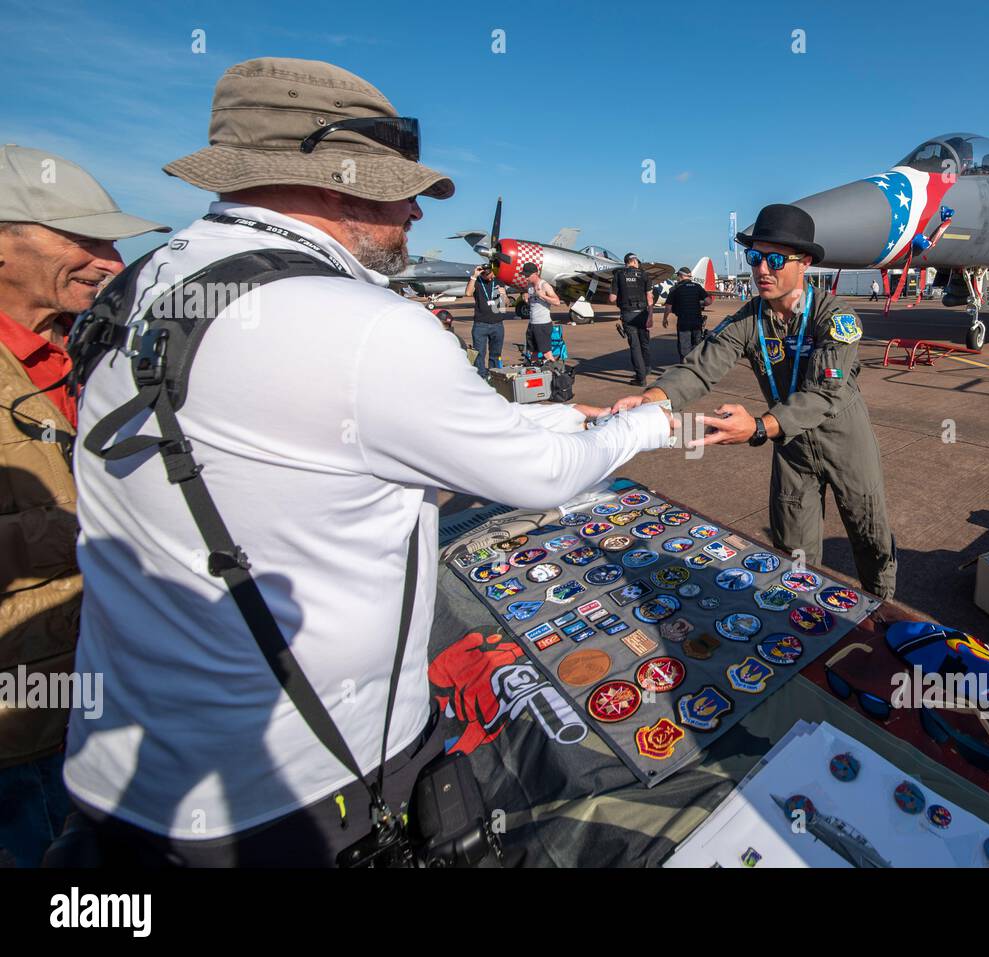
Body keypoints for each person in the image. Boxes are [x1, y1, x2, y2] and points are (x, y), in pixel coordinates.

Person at [62, 57, 672, 867]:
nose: (416, 208)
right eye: (399, 187)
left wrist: (562, 411)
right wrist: (649, 424)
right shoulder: (366, 325)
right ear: (341, 186)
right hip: (294, 792)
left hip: (123, 782)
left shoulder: (138, 283)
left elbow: (325, 438)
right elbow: (543, 478)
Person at [0, 145, 168, 867]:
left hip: (98, 690)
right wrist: (114, 517)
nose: (110, 259)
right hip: (21, 725)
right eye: (85, 238)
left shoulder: (81, 348)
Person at [613, 204, 896, 599]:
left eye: (776, 258)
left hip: (844, 440)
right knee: (792, 547)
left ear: (805, 263)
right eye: (755, 257)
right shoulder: (749, 320)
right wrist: (650, 399)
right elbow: (699, 368)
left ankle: (883, 613)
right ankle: (803, 613)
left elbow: (825, 393)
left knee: (870, 536)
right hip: (792, 447)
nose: (762, 269)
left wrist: (760, 427)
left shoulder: (835, 317)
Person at [609, 252, 656, 386]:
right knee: (644, 343)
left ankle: (641, 378)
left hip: (628, 314)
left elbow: (612, 298)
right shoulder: (645, 274)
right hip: (642, 314)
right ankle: (647, 368)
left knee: (635, 347)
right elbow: (650, 297)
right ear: (635, 261)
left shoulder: (618, 275)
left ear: (626, 262)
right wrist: (651, 316)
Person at [662, 265, 713, 361]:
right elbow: (708, 301)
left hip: (683, 321)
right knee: (697, 345)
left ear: (680, 276)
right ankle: (696, 367)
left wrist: (665, 319)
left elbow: (668, 306)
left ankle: (686, 369)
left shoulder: (675, 288)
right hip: (697, 321)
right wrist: (698, 302)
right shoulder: (697, 287)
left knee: (684, 348)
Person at [464, 264, 506, 376]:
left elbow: (505, 304)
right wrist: (473, 276)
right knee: (479, 354)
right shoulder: (477, 281)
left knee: (496, 353)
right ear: (482, 274)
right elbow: (468, 293)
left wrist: (503, 295)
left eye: (491, 273)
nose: (490, 276)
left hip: (497, 324)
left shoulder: (498, 281)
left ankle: (495, 375)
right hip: (480, 325)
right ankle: (481, 377)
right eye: (487, 275)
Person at [521, 262, 560, 362]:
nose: (526, 278)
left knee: (546, 353)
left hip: (543, 324)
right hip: (532, 324)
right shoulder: (529, 285)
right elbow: (531, 300)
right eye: (525, 275)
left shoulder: (544, 285)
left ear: (535, 274)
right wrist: (526, 297)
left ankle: (556, 374)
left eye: (527, 275)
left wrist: (542, 296)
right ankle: (533, 371)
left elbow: (557, 302)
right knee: (532, 352)